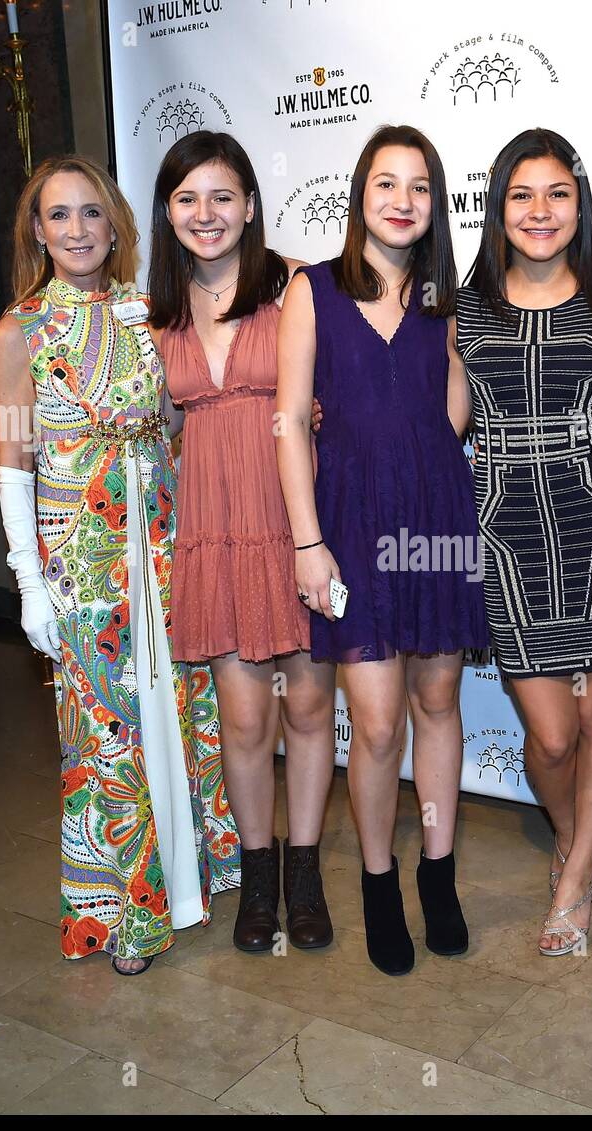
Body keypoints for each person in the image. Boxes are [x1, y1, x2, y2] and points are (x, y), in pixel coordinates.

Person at [0, 154, 239, 976]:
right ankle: (126, 914)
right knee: (105, 730)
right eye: (59, 216)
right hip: (82, 558)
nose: (77, 230)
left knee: (180, 704)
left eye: (91, 213)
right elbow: (13, 464)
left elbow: (178, 423)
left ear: (116, 224)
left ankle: (194, 881)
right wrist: (29, 582)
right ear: (37, 230)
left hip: (166, 541)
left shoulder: (147, 312)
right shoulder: (19, 329)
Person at [275, 125, 489, 976]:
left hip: (434, 516)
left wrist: (416, 453)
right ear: (359, 195)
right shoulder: (313, 289)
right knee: (373, 722)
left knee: (438, 704)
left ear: (436, 205)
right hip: (352, 523)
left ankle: (438, 875)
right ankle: (376, 880)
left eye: (420, 187)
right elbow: (290, 420)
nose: (402, 201)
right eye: (386, 184)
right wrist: (308, 541)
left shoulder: (450, 300)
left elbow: (456, 411)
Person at [452, 129, 592, 956]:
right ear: (498, 207)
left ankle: (574, 878)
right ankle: (573, 836)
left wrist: (588, 442)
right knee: (553, 735)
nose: (541, 212)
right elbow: (443, 424)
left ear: (581, 203)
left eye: (558, 193)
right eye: (521, 195)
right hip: (503, 531)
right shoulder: (461, 310)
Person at [148, 132, 336, 954]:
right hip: (215, 537)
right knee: (244, 723)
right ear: (168, 213)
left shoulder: (295, 287)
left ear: (251, 205)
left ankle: (306, 873)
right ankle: (256, 878)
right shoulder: (151, 312)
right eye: (188, 199)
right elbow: (151, 430)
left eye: (222, 196)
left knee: (310, 710)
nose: (206, 214)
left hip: (296, 529)